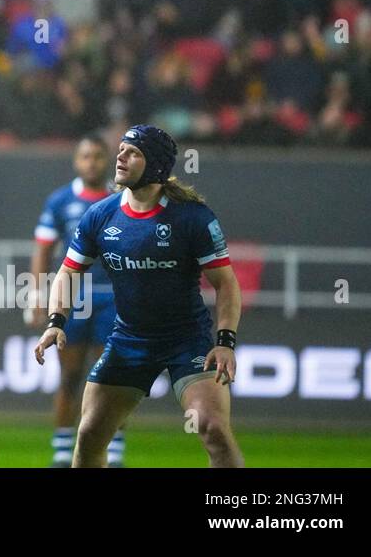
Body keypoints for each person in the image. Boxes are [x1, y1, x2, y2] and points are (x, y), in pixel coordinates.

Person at [35, 125, 245, 467]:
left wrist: (225, 342)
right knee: (88, 437)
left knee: (213, 429)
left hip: (187, 341)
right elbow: (69, 271)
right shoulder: (101, 215)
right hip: (129, 340)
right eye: (120, 150)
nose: (120, 157)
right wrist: (56, 321)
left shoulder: (193, 218)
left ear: (157, 166)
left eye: (132, 152)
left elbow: (226, 284)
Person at [27, 134, 124, 466]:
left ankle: (113, 449)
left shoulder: (122, 198)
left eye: (98, 156)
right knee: (70, 377)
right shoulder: (60, 201)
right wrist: (38, 297)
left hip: (114, 299)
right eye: (86, 156)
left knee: (112, 379)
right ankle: (62, 448)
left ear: (107, 160)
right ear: (76, 161)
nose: (92, 162)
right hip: (73, 299)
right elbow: (43, 249)